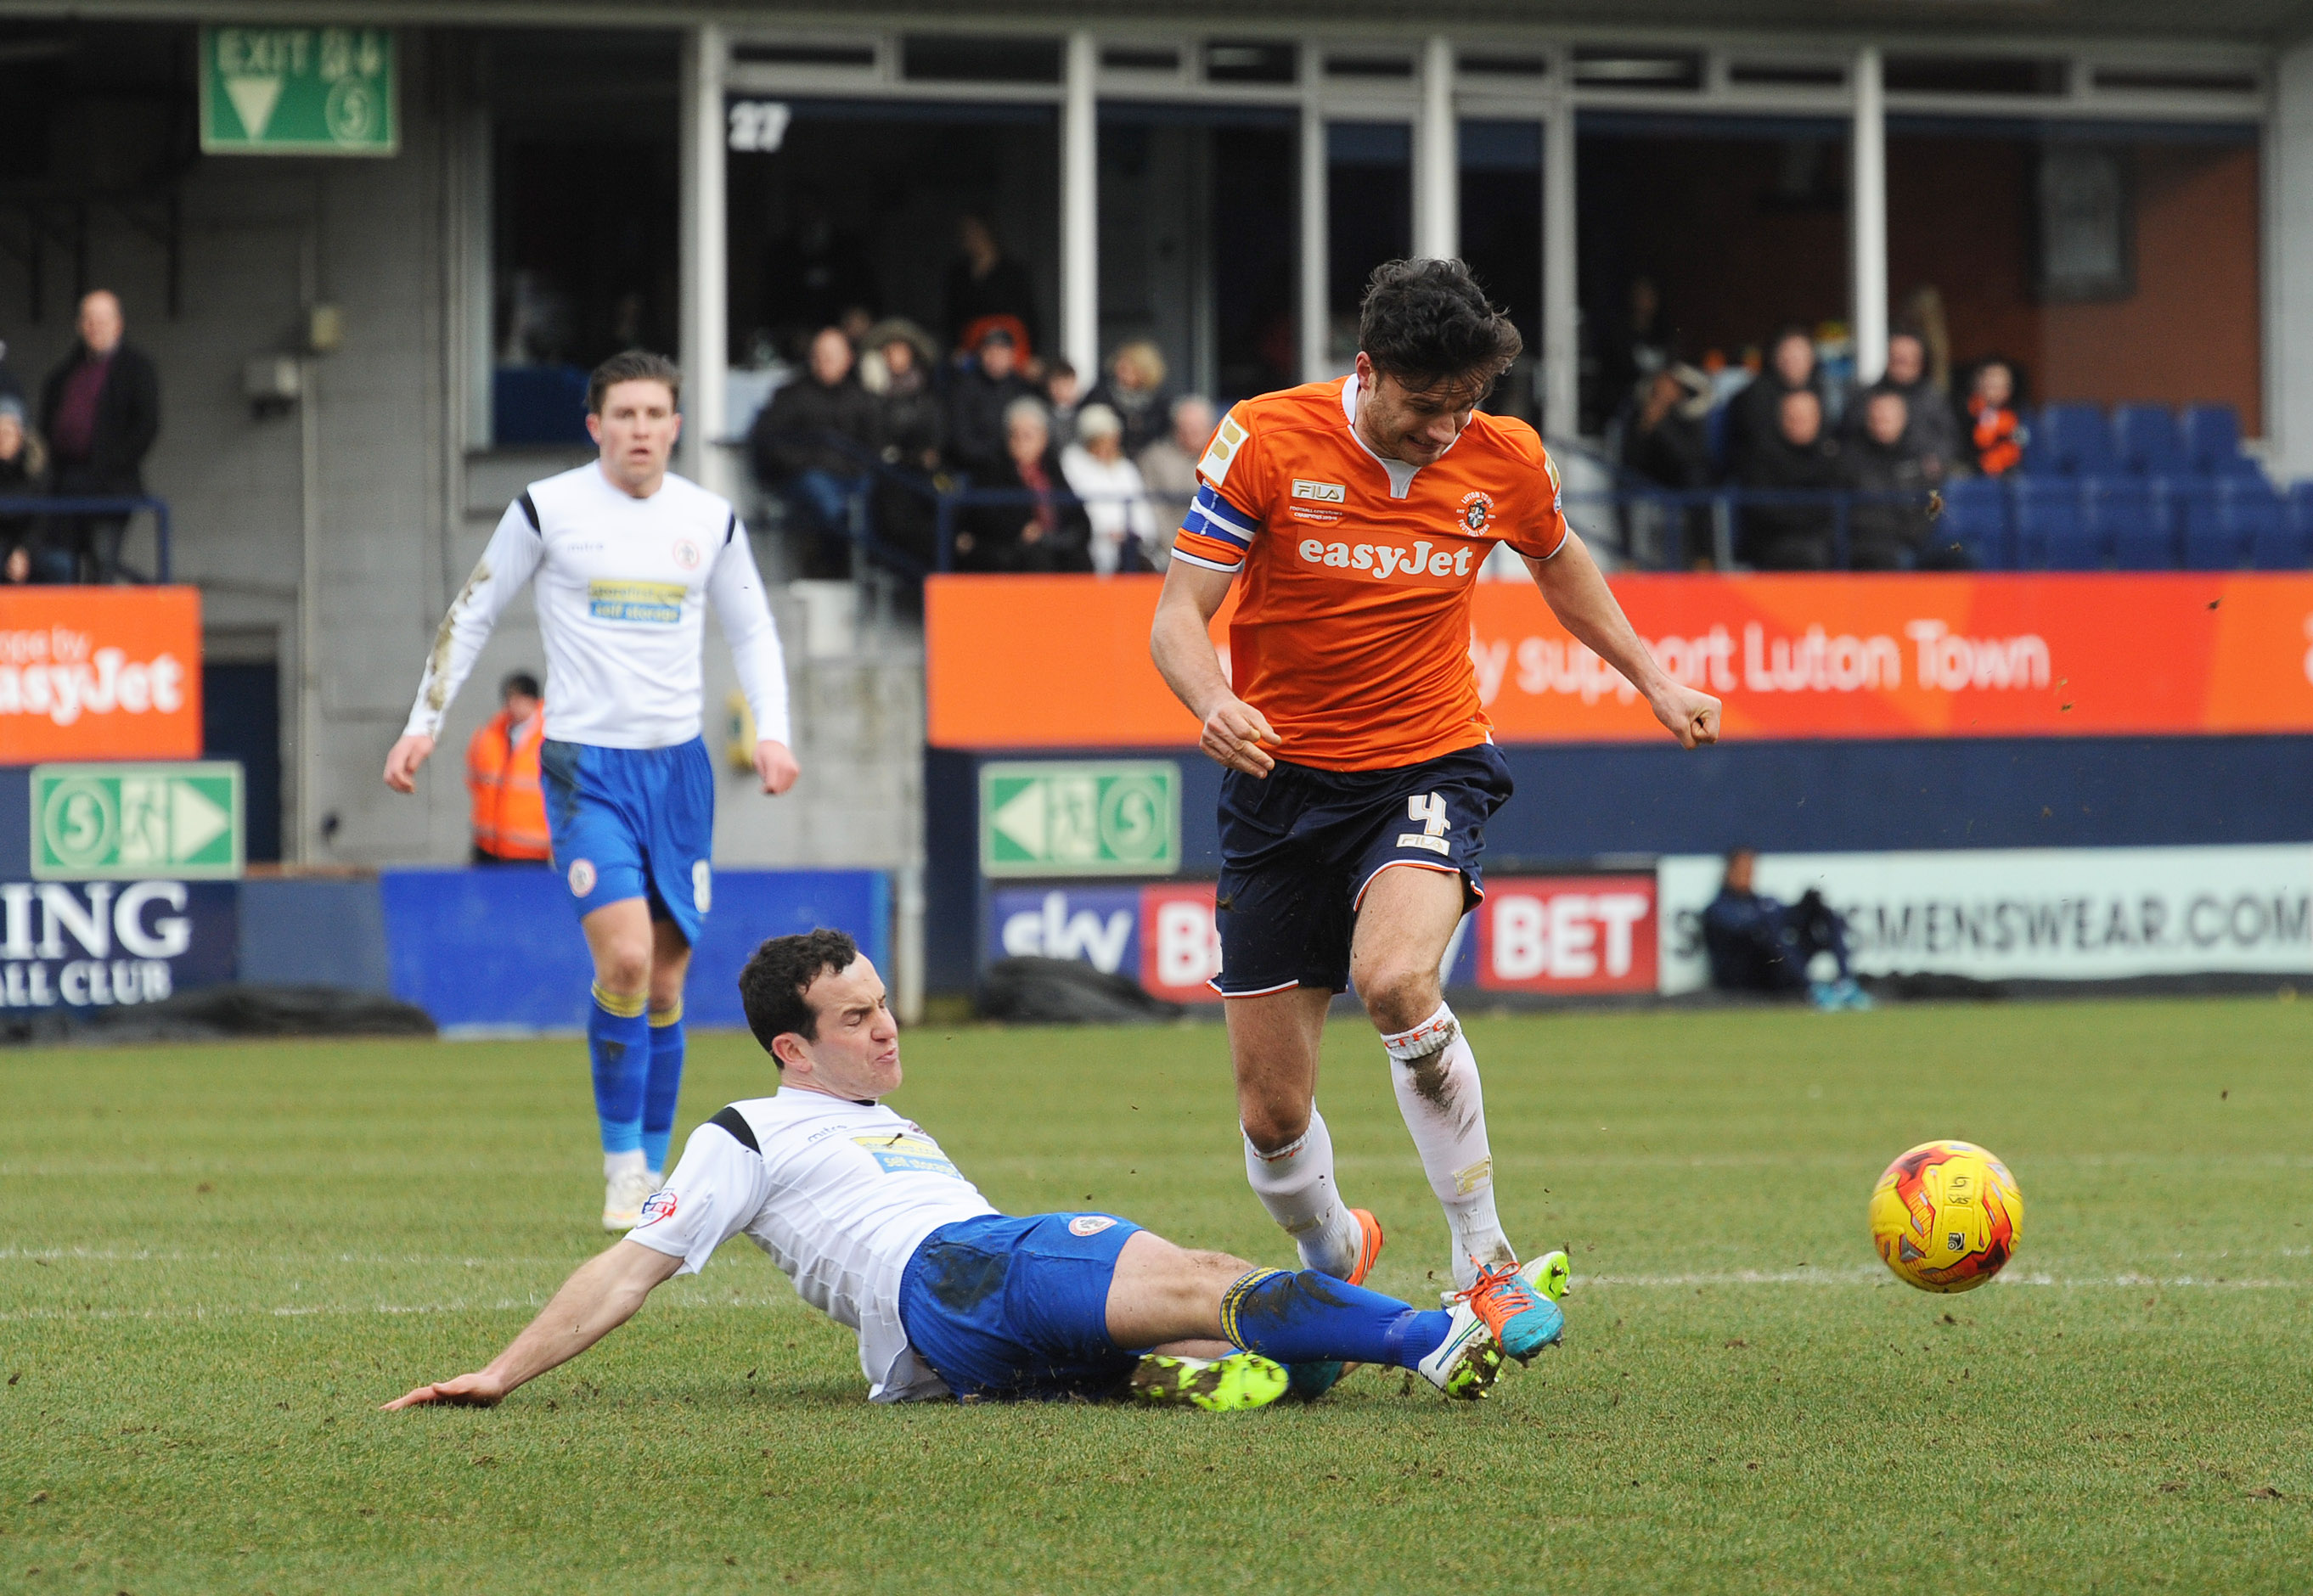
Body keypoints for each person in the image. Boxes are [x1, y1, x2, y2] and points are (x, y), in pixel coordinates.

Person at [1148, 258, 1720, 1361]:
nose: (1446, 430)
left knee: (1398, 979)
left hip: (1427, 762)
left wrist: (1652, 675)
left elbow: (1559, 563)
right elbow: (1179, 612)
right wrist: (1212, 699)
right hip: (1277, 784)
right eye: (1424, 407)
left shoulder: (1501, 457)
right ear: (1367, 372)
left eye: (1465, 406)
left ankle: (1485, 1261)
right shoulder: (1266, 439)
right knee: (1272, 1120)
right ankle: (1335, 1264)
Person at [383, 930, 1555, 1413]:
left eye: (885, 1005)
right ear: (793, 1048)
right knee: (1208, 1272)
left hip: (956, 1348)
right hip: (960, 1274)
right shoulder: (748, 1129)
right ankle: (1436, 1332)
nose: (887, 1030)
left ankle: (1229, 1348)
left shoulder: (892, 1122)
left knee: (1284, 1372)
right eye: (856, 1018)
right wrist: (499, 1373)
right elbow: (632, 1267)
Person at [383, 351, 801, 1231]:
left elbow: (754, 626)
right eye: (625, 414)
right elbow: (477, 607)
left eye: (656, 413)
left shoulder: (709, 518)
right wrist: (424, 721)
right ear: (596, 425)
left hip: (678, 772)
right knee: (624, 960)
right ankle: (623, 1168)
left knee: (667, 978)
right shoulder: (549, 507)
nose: (641, 428)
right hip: (584, 768)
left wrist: (774, 730)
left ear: (676, 424)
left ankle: (658, 1174)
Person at [38, 289, 160, 583]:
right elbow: (48, 424)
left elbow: (146, 426)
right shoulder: (65, 372)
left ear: (118, 325)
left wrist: (110, 466)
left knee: (101, 564)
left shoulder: (136, 369)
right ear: (80, 325)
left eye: (102, 320)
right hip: (66, 487)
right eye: (89, 320)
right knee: (57, 564)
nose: (95, 327)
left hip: (111, 488)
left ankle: (97, 629)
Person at [747, 326, 882, 578]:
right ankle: (836, 566)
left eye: (832, 356)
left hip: (851, 477)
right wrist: (807, 462)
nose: (825, 362)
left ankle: (867, 565)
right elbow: (769, 440)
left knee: (878, 496)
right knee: (823, 496)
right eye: (820, 355)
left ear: (848, 360)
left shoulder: (861, 399)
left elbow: (872, 448)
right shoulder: (791, 395)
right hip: (803, 478)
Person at [1701, 851, 1869, 1010]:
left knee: (1822, 912)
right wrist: (1769, 919)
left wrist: (1805, 908)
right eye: (1742, 870)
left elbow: (1788, 919)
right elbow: (1747, 928)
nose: (1748, 874)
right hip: (1741, 976)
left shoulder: (1761, 902)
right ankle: (1812, 990)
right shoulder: (1718, 908)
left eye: (1751, 869)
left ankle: (1846, 984)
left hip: (1772, 970)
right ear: (1729, 871)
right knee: (1769, 931)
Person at [955, 396, 1089, 573]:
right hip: (1015, 549)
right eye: (1014, 435)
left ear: (1043, 438)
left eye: (1028, 436)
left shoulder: (1052, 467)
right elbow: (984, 515)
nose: (1020, 442)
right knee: (1037, 558)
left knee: (1079, 559)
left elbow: (1078, 515)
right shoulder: (993, 468)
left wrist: (1068, 535)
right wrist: (1021, 529)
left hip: (1054, 543)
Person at [1620, 365, 1715, 568]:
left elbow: (1690, 457)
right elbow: (1629, 459)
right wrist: (1646, 427)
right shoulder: (1638, 414)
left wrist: (1662, 426)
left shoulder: (1688, 414)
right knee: (1621, 487)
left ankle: (1703, 558)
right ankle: (1628, 558)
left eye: (1671, 386)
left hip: (1680, 478)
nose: (1665, 391)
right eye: (1660, 385)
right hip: (1646, 477)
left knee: (1699, 484)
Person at [1739, 388, 1843, 570]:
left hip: (1819, 540)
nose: (1797, 423)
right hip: (1772, 539)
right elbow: (1762, 506)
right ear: (1780, 419)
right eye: (1791, 417)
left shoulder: (1832, 456)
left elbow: (1833, 505)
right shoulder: (1762, 456)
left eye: (1804, 417)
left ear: (1818, 418)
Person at [1843, 391, 1936, 571]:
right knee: (1892, 558)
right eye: (1876, 417)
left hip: (1916, 539)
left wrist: (1915, 536)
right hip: (1871, 542)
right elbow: (1853, 514)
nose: (1881, 423)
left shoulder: (1919, 457)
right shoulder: (1851, 459)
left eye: (1888, 418)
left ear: (1903, 419)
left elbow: (1932, 503)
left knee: (1964, 554)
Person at [1059, 403, 1156, 576]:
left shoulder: (1126, 469)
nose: (1106, 446)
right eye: (1100, 440)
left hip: (1132, 545)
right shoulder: (1073, 462)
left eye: (1111, 440)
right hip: (1096, 546)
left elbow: (1143, 512)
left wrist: (1133, 532)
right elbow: (1084, 508)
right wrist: (1107, 532)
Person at [465, 672, 551, 865]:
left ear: (533, 700)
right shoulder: (490, 733)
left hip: (532, 851)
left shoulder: (549, 737)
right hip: (488, 846)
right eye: (510, 698)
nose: (514, 704)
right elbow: (475, 782)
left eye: (520, 698)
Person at [1850, 329, 1956, 481]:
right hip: (1873, 482)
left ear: (1919, 362)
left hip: (1918, 484)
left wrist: (1932, 462)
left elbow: (1949, 440)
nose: (1902, 364)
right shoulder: (1866, 397)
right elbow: (1850, 439)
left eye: (1908, 359)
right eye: (1897, 358)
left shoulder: (1933, 399)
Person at [1726, 324, 1824, 482]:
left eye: (1799, 355)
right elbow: (1758, 448)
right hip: (1765, 487)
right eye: (1787, 355)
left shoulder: (1824, 393)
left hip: (1812, 487)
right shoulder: (1754, 396)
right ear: (1775, 358)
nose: (1793, 362)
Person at [944, 213, 1041, 362]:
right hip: (970, 351)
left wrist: (1033, 356)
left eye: (975, 231)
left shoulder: (1012, 271)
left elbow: (1029, 315)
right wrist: (955, 349)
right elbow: (952, 318)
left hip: (1009, 350)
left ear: (988, 232)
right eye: (965, 233)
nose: (970, 237)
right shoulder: (959, 275)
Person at [943, 327, 1035, 480]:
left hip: (1016, 473)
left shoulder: (1022, 389)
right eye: (990, 351)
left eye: (1001, 352)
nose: (995, 357)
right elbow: (962, 441)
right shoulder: (963, 388)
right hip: (973, 473)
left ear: (1011, 355)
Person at [1134, 395, 1215, 562]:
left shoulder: (1227, 460)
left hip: (1217, 550)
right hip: (1168, 551)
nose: (1191, 433)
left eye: (1198, 427)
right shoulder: (1153, 459)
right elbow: (1153, 509)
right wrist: (1176, 549)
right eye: (1185, 427)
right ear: (1175, 428)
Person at [0, 399, 65, 585]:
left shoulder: (37, 470)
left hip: (29, 547)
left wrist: (24, 552)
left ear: (21, 436)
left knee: (60, 565)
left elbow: (41, 520)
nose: (2, 439)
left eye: (8, 433)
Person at [1086, 340, 1174, 459]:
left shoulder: (1160, 404)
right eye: (1120, 367)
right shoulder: (1101, 396)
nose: (1121, 373)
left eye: (1128, 369)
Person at [1964, 359, 2026, 478]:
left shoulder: (2017, 415)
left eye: (2002, 386)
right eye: (1992, 385)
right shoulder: (1969, 413)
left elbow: (2019, 444)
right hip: (1978, 470)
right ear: (1980, 386)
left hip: (2008, 471)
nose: (1997, 391)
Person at [1042, 359, 1083, 447]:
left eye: (1066, 385)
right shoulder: (1042, 415)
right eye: (1056, 385)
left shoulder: (1084, 413)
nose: (1061, 390)